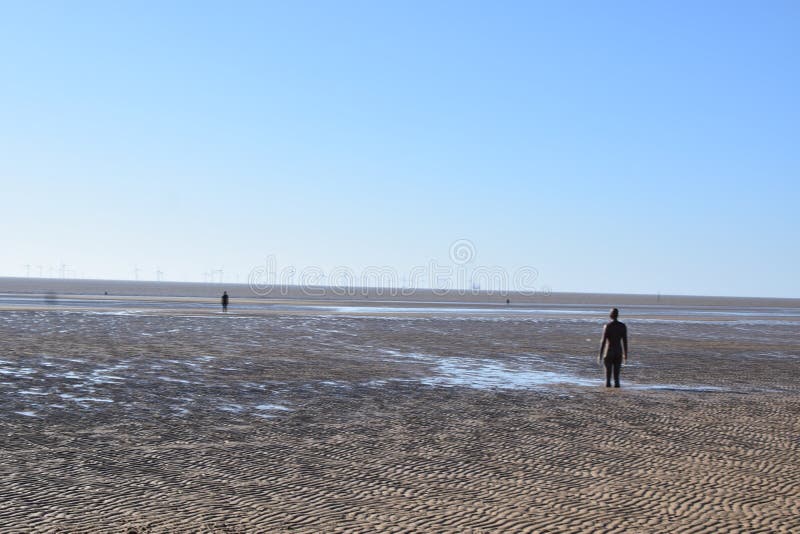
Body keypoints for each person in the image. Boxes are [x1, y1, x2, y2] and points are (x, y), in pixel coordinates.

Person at [598, 307, 628, 387]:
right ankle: (617, 393)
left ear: (610, 315)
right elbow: (625, 341)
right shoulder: (622, 326)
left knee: (608, 378)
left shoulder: (607, 326)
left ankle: (608, 394)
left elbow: (603, 341)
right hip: (618, 351)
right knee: (617, 378)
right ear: (617, 315)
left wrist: (600, 355)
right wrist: (625, 355)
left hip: (609, 352)